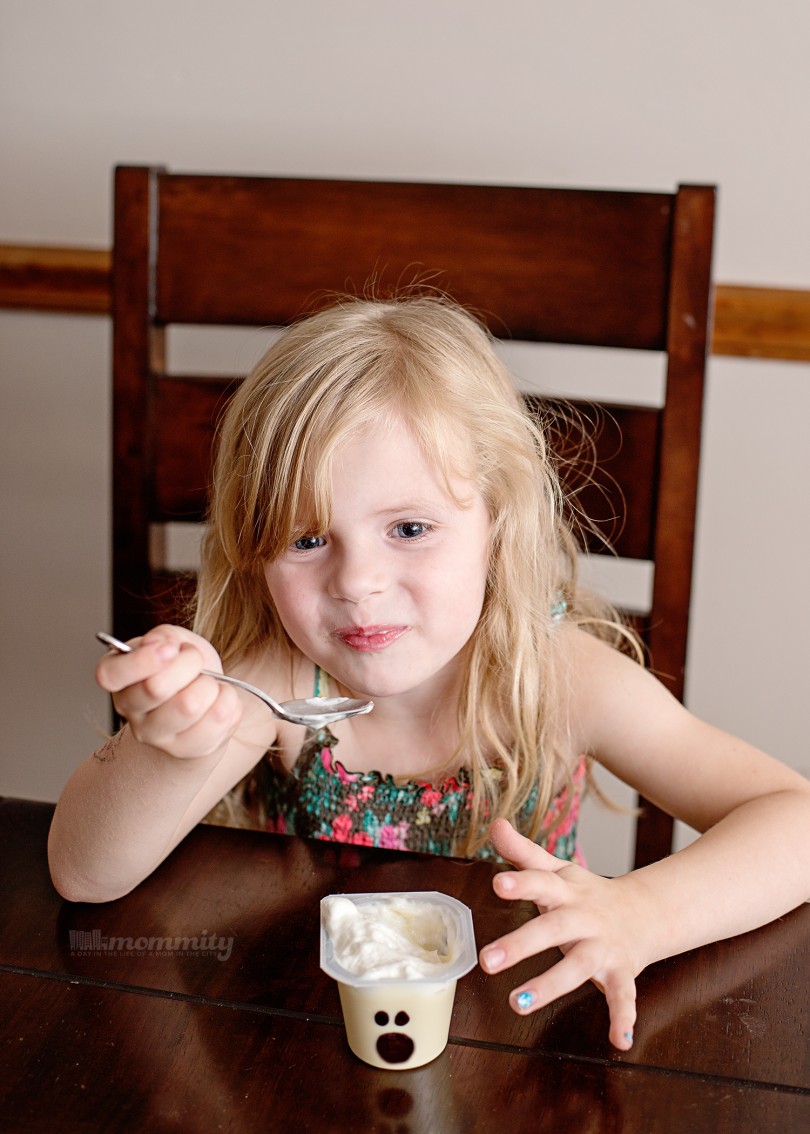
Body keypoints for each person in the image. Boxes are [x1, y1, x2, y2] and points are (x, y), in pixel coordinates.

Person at [48, 295, 810, 1051]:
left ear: (497, 522)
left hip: (519, 1040)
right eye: (307, 540)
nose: (358, 583)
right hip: (307, 1032)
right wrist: (167, 751)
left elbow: (795, 820)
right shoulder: (280, 682)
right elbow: (83, 874)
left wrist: (644, 913)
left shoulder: (557, 679)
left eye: (409, 528)